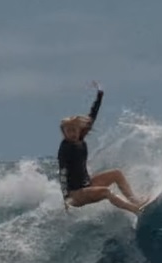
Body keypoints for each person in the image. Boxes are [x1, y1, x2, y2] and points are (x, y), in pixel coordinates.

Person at [58, 81, 148, 214]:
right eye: (68, 131)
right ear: (64, 133)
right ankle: (135, 210)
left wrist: (99, 96)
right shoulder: (65, 149)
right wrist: (66, 197)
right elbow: (63, 172)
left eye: (74, 129)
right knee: (106, 192)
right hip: (75, 195)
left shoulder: (80, 139)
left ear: (79, 129)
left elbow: (92, 117)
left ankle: (135, 201)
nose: (72, 133)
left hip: (87, 186)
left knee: (116, 174)